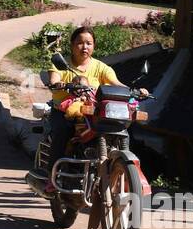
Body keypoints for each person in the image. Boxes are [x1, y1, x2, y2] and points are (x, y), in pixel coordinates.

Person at [42, 26, 129, 193]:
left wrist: (134, 90)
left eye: (89, 43)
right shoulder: (61, 64)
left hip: (91, 111)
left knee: (119, 130)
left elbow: (116, 84)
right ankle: (51, 177)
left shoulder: (101, 67)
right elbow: (54, 79)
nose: (84, 47)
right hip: (64, 111)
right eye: (80, 43)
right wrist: (57, 84)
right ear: (72, 45)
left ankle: (120, 172)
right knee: (62, 132)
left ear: (94, 45)